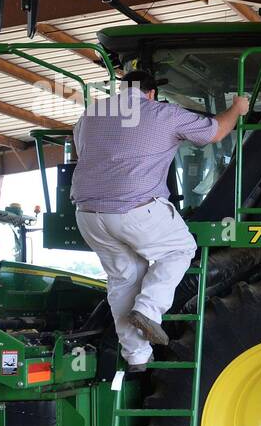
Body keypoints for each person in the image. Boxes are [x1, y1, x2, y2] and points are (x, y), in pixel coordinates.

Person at [71, 70, 248, 371]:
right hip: (133, 211)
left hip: (88, 215)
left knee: (123, 279)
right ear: (151, 93)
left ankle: (137, 357)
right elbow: (217, 132)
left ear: (120, 90)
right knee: (179, 250)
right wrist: (237, 109)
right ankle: (149, 310)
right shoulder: (162, 113)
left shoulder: (90, 115)